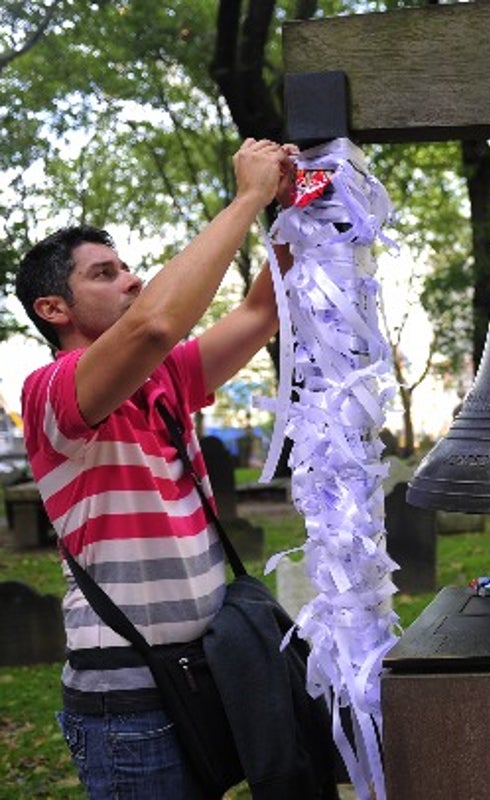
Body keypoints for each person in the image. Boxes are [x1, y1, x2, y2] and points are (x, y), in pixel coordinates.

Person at [15, 137, 297, 799]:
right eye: (104, 274)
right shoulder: (50, 392)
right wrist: (248, 197)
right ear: (54, 309)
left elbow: (262, 311)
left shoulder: (166, 377)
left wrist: (295, 209)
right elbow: (154, 325)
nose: (132, 279)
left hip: (205, 676)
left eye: (126, 267)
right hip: (128, 706)